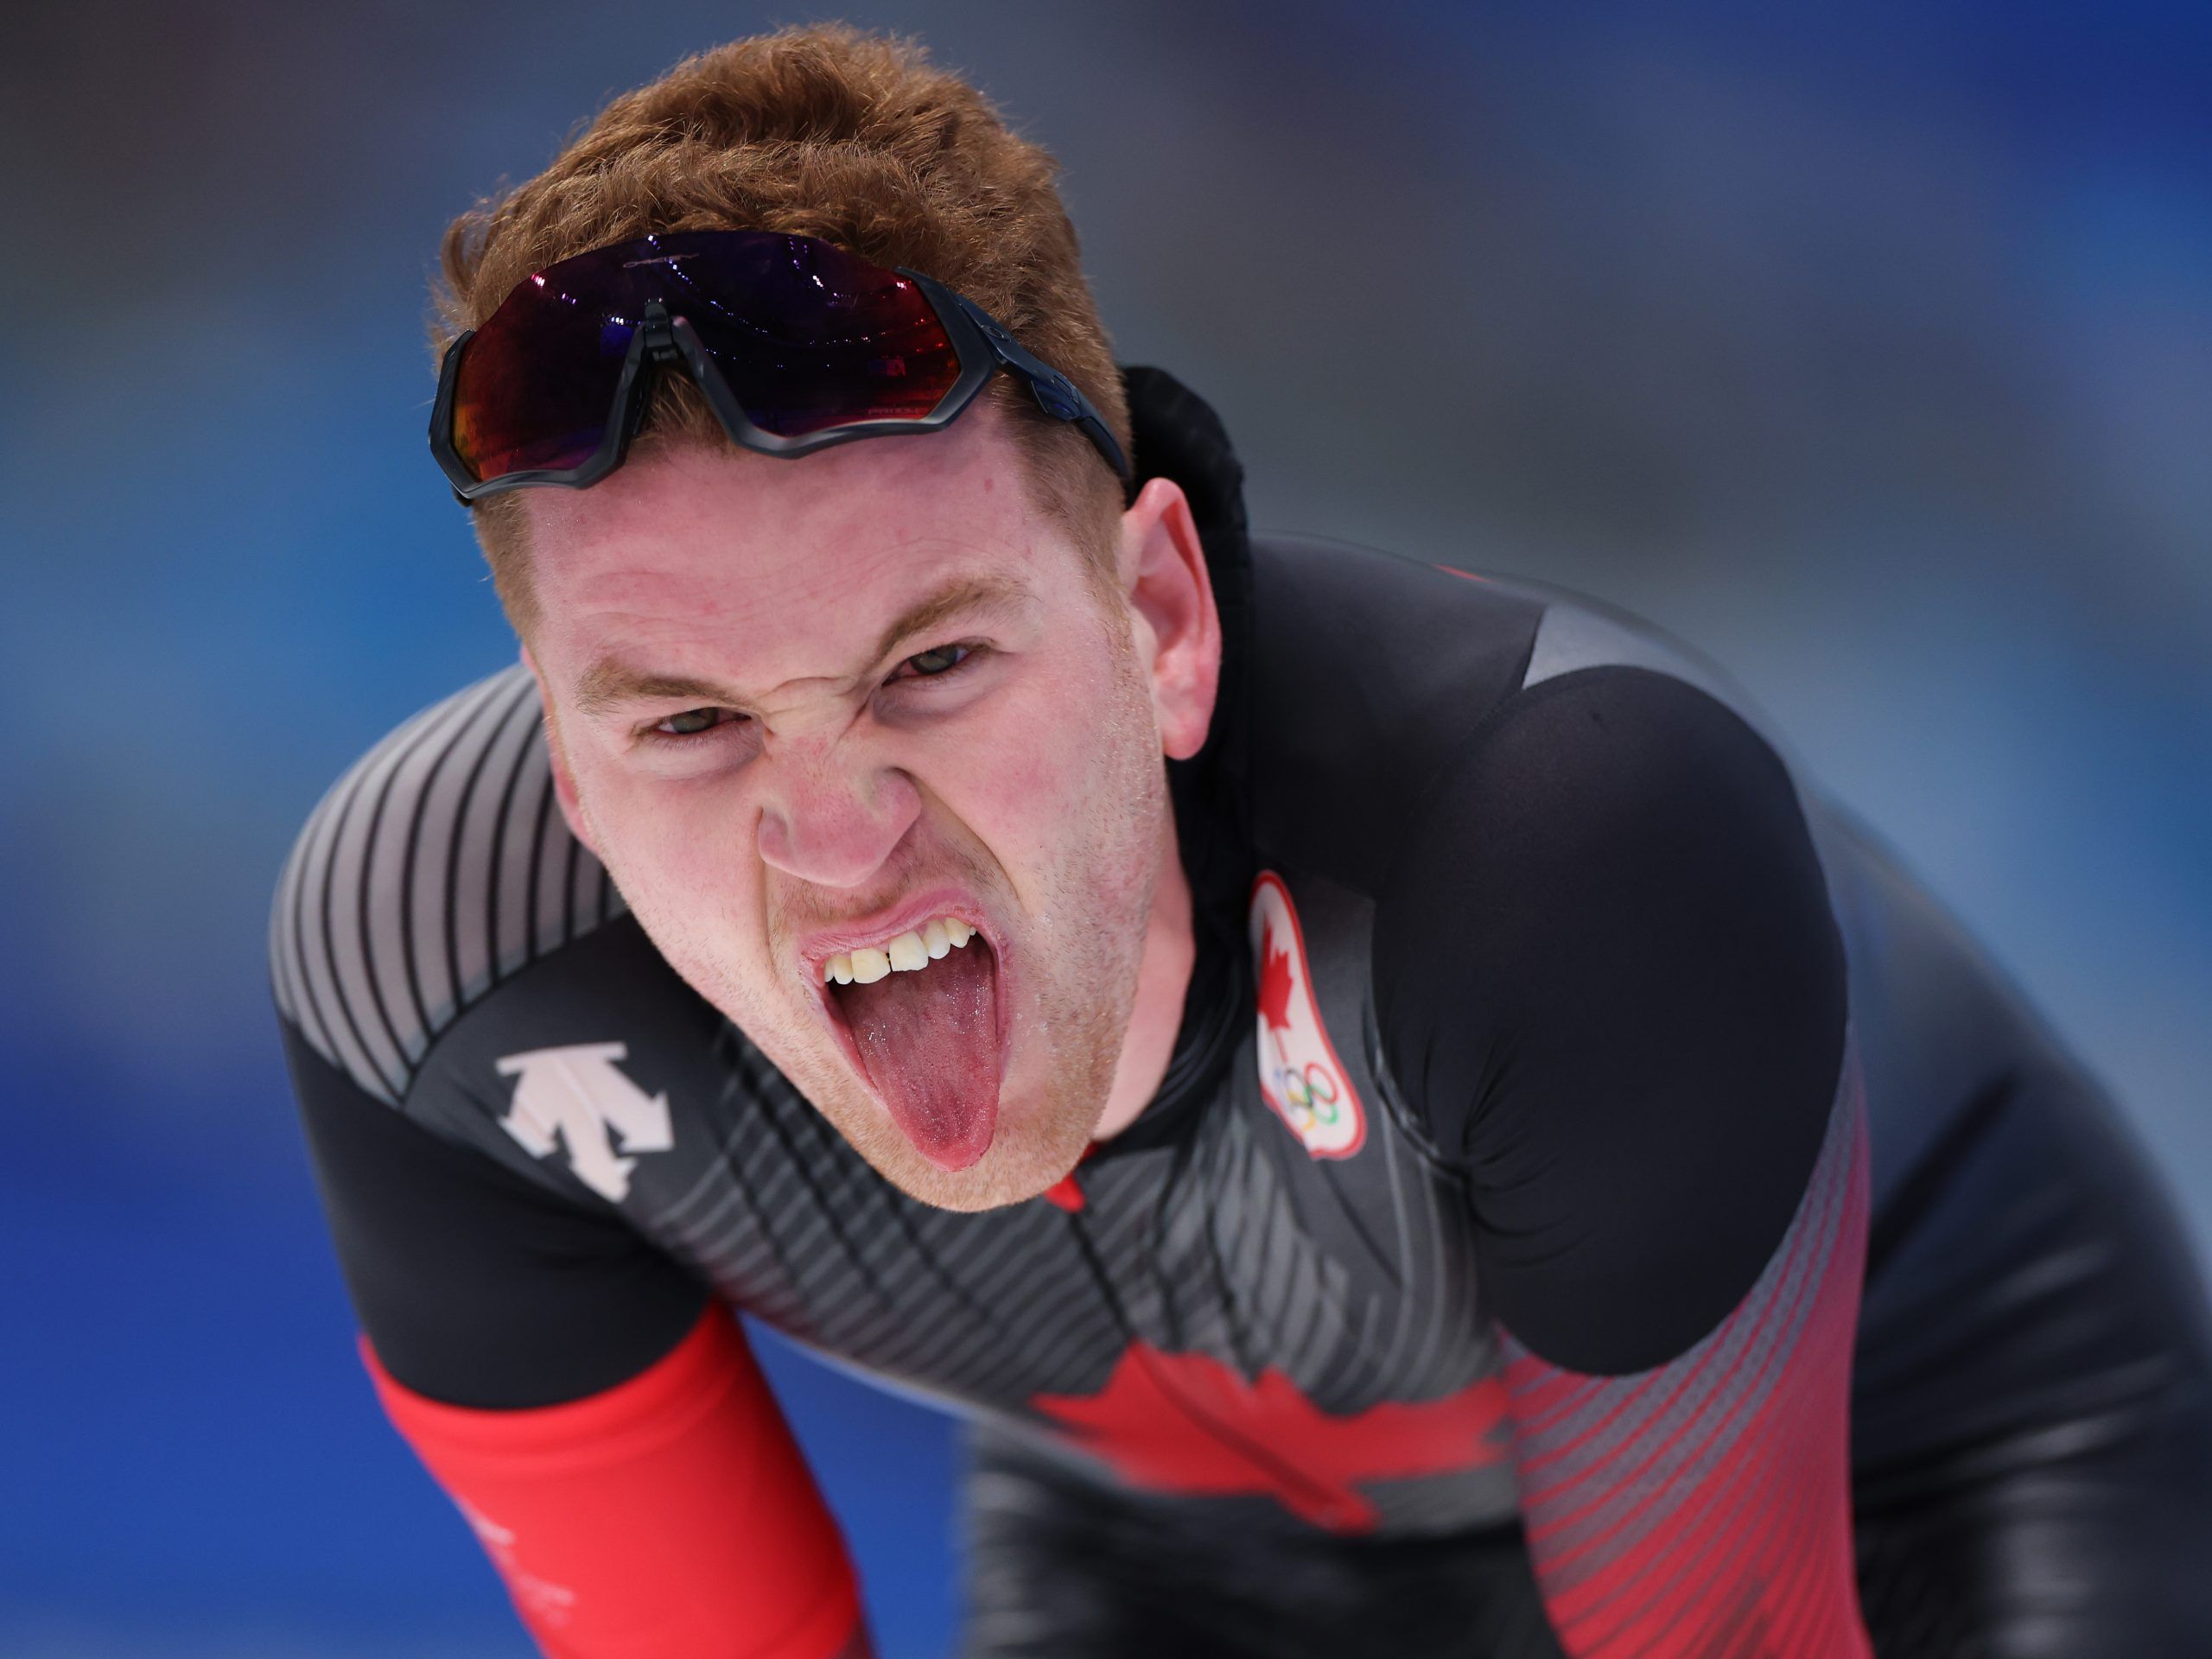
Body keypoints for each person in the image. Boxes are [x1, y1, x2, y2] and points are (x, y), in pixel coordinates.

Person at [270, 24, 2212, 1658]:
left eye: (932, 664)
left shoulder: (1562, 839)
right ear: (569, 782)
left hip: (1925, 1468)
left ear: (1164, 626)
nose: (840, 838)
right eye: (690, 725)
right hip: (1187, 1555)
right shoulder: (432, 985)